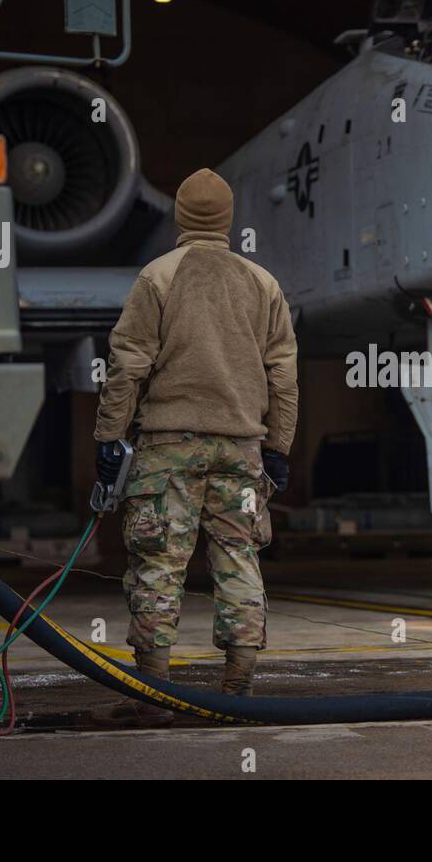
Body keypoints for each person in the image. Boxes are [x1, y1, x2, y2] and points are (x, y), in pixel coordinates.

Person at [91, 168, 298, 725]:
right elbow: (283, 374)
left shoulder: (157, 277)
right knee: (239, 558)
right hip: (242, 450)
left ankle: (154, 694)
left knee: (159, 562)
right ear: (228, 219)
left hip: (168, 448)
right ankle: (237, 688)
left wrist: (109, 436)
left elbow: (127, 366)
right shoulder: (263, 282)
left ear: (181, 216)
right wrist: (277, 445)